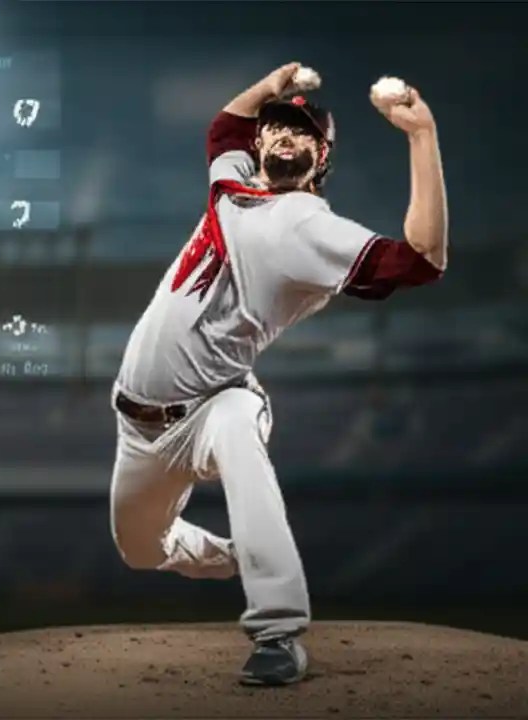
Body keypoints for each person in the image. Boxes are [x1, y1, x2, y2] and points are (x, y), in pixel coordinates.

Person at [109, 62, 447, 686]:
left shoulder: (311, 226)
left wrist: (420, 138)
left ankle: (279, 633)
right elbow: (222, 129)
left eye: (302, 132)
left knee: (239, 428)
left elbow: (424, 259)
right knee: (138, 549)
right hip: (137, 424)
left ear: (321, 156)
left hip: (216, 404)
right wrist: (270, 87)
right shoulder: (232, 182)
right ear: (259, 144)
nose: (283, 136)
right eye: (275, 128)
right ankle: (242, 554)